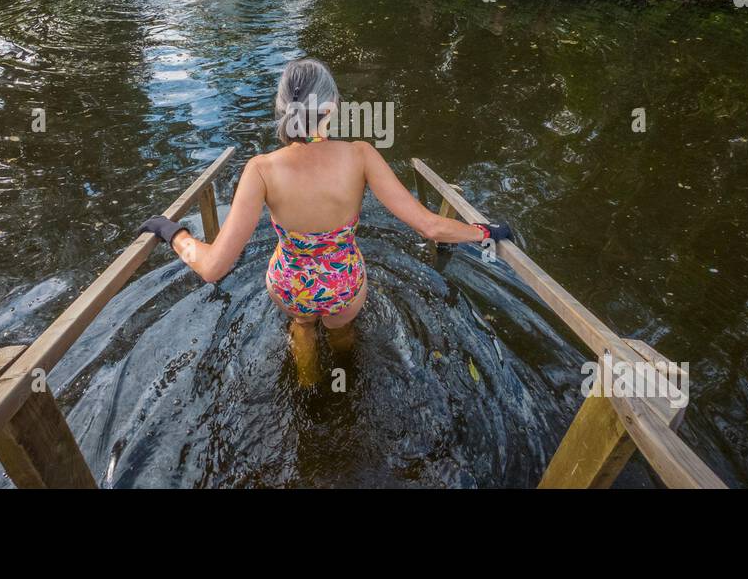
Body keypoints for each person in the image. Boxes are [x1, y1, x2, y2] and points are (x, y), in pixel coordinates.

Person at [140, 57, 512, 384]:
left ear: (282, 107)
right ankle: (344, 379)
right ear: (331, 108)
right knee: (341, 328)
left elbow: (212, 267)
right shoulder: (360, 155)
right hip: (344, 285)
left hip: (290, 286)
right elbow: (430, 226)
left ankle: (307, 387)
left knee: (302, 324)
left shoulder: (261, 170)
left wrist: (172, 232)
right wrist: (485, 233)